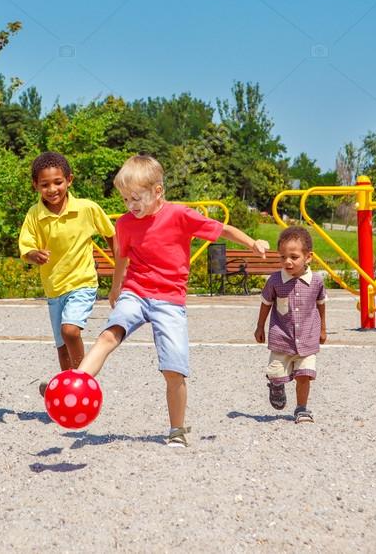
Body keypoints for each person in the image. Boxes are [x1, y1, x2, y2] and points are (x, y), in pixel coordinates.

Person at [77, 154, 270, 448]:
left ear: (157, 192)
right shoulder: (126, 224)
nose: (130, 206)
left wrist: (253, 243)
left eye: (136, 198)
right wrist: (115, 289)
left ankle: (177, 429)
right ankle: (77, 383)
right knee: (108, 334)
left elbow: (222, 229)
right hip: (136, 292)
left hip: (169, 299)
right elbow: (122, 258)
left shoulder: (180, 215)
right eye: (125, 199)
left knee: (174, 369)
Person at [19, 152, 115, 386]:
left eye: (58, 182)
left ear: (69, 180)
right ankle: (65, 388)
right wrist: (34, 254)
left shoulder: (87, 209)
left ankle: (83, 379)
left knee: (70, 331)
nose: (52, 189)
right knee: (62, 347)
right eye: (45, 184)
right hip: (54, 289)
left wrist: (121, 270)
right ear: (36, 185)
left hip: (83, 282)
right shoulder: (34, 214)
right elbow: (26, 247)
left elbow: (112, 236)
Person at [254, 225, 327, 423]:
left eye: (294, 257)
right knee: (276, 374)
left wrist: (322, 329)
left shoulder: (317, 281)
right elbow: (266, 303)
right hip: (281, 339)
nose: (287, 261)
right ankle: (276, 385)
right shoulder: (275, 280)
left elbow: (320, 305)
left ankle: (302, 409)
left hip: (307, 339)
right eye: (283, 257)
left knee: (305, 375)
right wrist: (260, 326)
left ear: (308, 257)